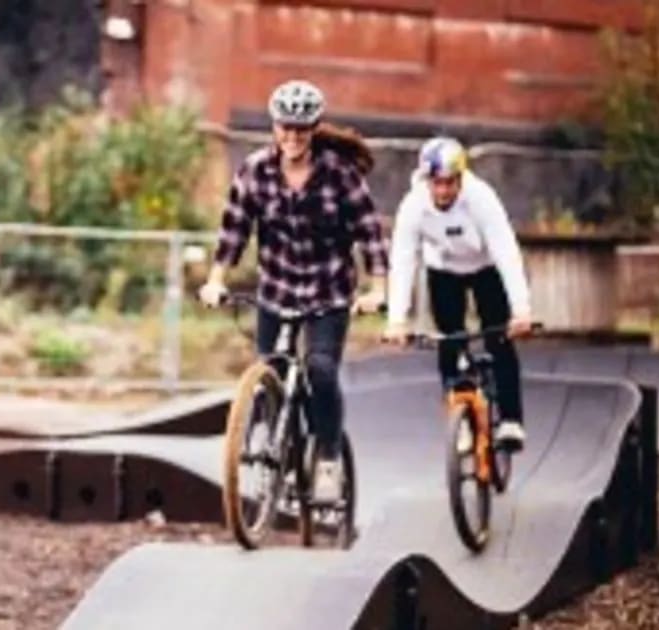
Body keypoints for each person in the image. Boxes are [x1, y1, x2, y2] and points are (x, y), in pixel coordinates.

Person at [199, 79, 388, 502]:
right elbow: (234, 231)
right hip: (277, 289)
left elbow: (370, 232)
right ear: (275, 127)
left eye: (301, 130)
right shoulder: (254, 171)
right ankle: (275, 449)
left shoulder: (339, 174)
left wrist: (378, 289)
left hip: (328, 292)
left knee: (320, 370)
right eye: (285, 128)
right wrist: (216, 281)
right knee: (270, 373)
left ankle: (328, 457)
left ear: (314, 129)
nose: (292, 138)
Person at [381, 136, 533, 451]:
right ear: (426, 181)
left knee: (499, 337)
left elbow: (506, 250)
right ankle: (459, 417)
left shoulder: (481, 198)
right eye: (437, 184)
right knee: (449, 341)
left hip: (485, 267)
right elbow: (404, 260)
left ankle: (511, 420)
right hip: (444, 271)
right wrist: (397, 319)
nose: (443, 191)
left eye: (450, 183)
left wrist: (521, 310)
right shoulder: (413, 206)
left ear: (461, 179)